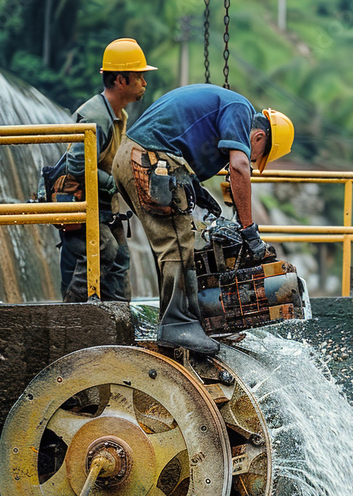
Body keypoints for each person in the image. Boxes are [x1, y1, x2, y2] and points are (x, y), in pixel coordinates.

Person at [111, 84, 294, 355]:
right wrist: (249, 232)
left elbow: (179, 140)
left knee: (169, 240)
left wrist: (196, 189)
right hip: (149, 159)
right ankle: (177, 325)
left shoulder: (226, 107)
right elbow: (239, 167)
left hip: (132, 158)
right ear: (258, 137)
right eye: (259, 156)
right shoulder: (240, 109)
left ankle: (182, 320)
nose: (253, 160)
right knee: (177, 241)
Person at [60, 38, 156, 302]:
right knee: (105, 249)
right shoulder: (96, 117)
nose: (144, 84)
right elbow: (76, 166)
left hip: (103, 207)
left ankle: (120, 317)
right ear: (121, 81)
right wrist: (115, 183)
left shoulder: (117, 114)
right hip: (83, 205)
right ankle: (73, 315)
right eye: (139, 77)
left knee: (121, 257)